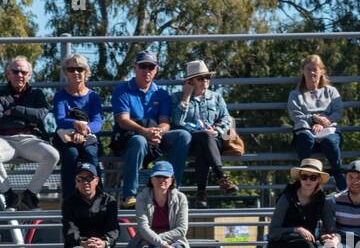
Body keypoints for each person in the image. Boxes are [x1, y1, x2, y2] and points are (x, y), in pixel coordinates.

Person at [111, 50, 189, 208]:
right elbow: (122, 120)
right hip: (130, 138)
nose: (147, 70)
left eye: (151, 67)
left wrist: (158, 132)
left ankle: (173, 189)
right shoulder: (122, 90)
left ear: (156, 69)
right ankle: (129, 195)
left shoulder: (161, 93)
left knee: (183, 136)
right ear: (135, 67)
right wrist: (144, 132)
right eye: (143, 66)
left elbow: (165, 122)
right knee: (139, 141)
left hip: (154, 137)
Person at [0, 56, 59, 210]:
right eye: (16, 71)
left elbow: (41, 115)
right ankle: (9, 195)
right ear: (8, 74)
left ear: (29, 75)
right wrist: (27, 119)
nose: (20, 75)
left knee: (53, 155)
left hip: (30, 139)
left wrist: (15, 111)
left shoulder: (37, 94)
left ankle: (29, 195)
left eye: (24, 72)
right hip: (4, 139)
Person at [268, 157, 337, 248]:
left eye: (313, 177)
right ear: (299, 178)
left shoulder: (322, 200)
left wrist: (327, 236)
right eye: (304, 176)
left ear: (318, 179)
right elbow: (272, 232)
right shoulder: (287, 197)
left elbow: (329, 228)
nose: (308, 180)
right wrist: (296, 229)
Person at [172, 60, 238, 207]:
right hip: (191, 141)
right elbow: (176, 122)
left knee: (206, 140)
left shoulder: (216, 97)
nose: (206, 80)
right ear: (190, 81)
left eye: (207, 77)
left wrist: (216, 130)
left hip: (214, 140)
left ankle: (202, 193)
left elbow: (227, 119)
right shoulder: (178, 97)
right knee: (203, 137)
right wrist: (186, 97)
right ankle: (221, 177)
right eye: (201, 78)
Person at [288, 54, 346, 191]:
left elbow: (338, 111)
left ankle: (338, 176)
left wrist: (326, 121)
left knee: (330, 142)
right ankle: (304, 177)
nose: (312, 73)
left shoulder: (331, 92)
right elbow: (296, 115)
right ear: (302, 71)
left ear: (321, 71)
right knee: (305, 138)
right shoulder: (295, 95)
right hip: (307, 134)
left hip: (328, 131)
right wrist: (314, 119)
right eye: (308, 69)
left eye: (315, 69)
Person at [134, 161, 190, 248]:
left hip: (174, 243)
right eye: (158, 177)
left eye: (165, 177)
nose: (162, 180)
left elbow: (181, 229)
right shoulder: (142, 197)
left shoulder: (181, 198)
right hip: (147, 243)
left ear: (172, 180)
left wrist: (160, 241)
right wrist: (162, 245)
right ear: (151, 180)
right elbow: (143, 228)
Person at [52, 53, 103, 196]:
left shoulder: (93, 96)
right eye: (71, 69)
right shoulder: (60, 96)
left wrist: (84, 131)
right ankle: (69, 199)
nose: (75, 72)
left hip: (87, 136)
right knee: (71, 155)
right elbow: (60, 120)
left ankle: (98, 196)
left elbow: (98, 121)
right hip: (66, 138)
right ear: (66, 73)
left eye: (80, 69)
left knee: (91, 155)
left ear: (86, 72)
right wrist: (75, 124)